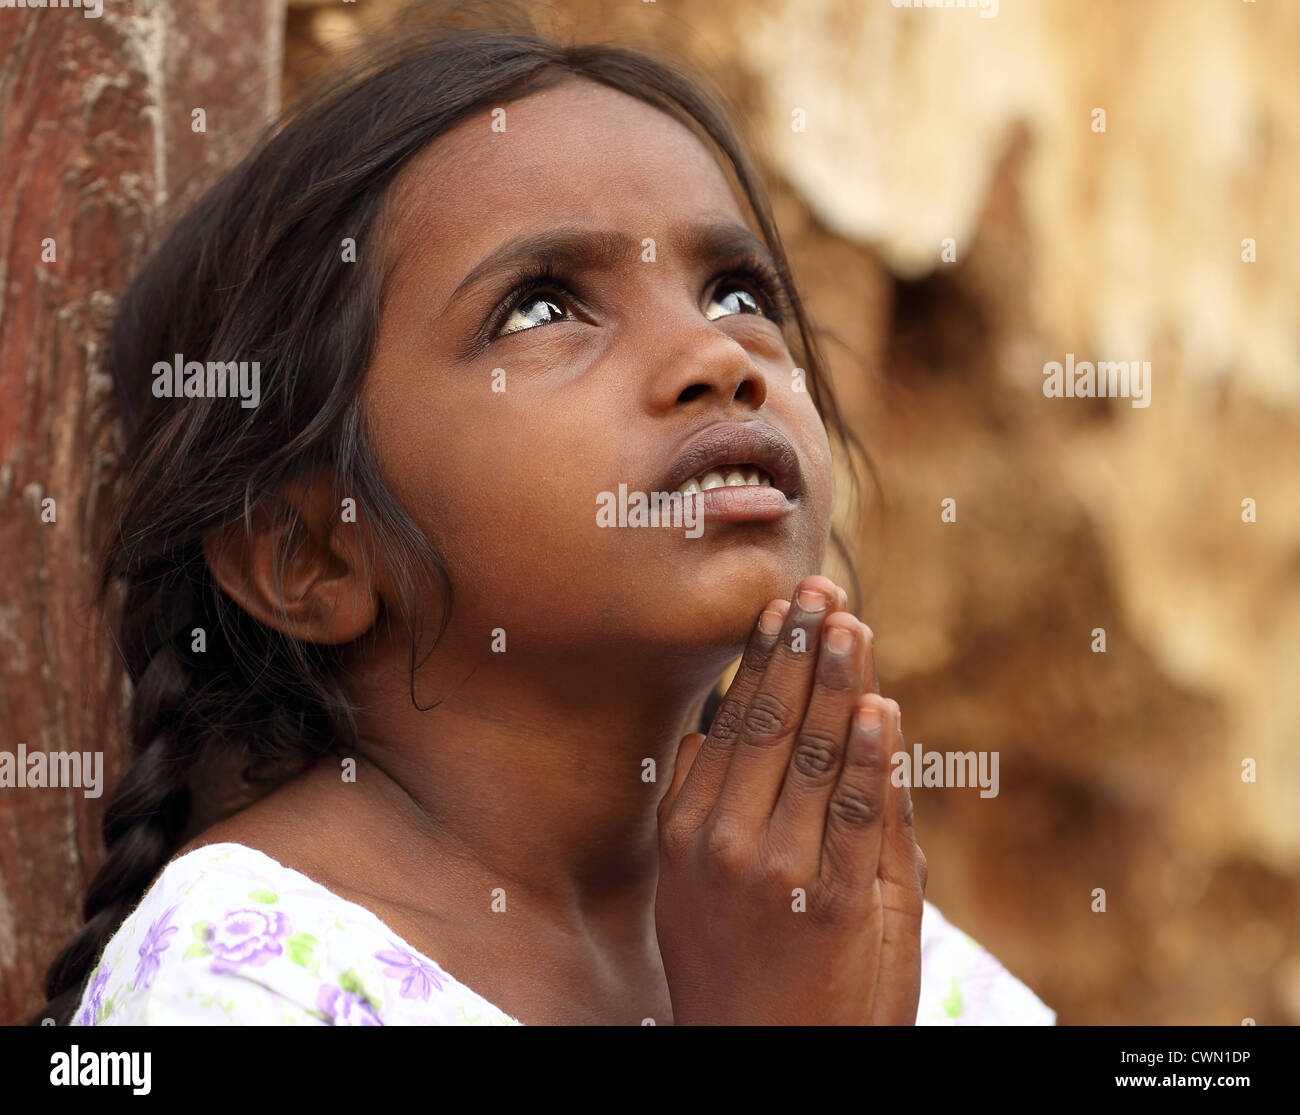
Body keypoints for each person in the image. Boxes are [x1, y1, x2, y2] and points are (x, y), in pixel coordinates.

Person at [39, 3, 1054, 1027]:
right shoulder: (242, 977)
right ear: (313, 549)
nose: (718, 360)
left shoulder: (862, 935)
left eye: (738, 292)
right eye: (540, 306)